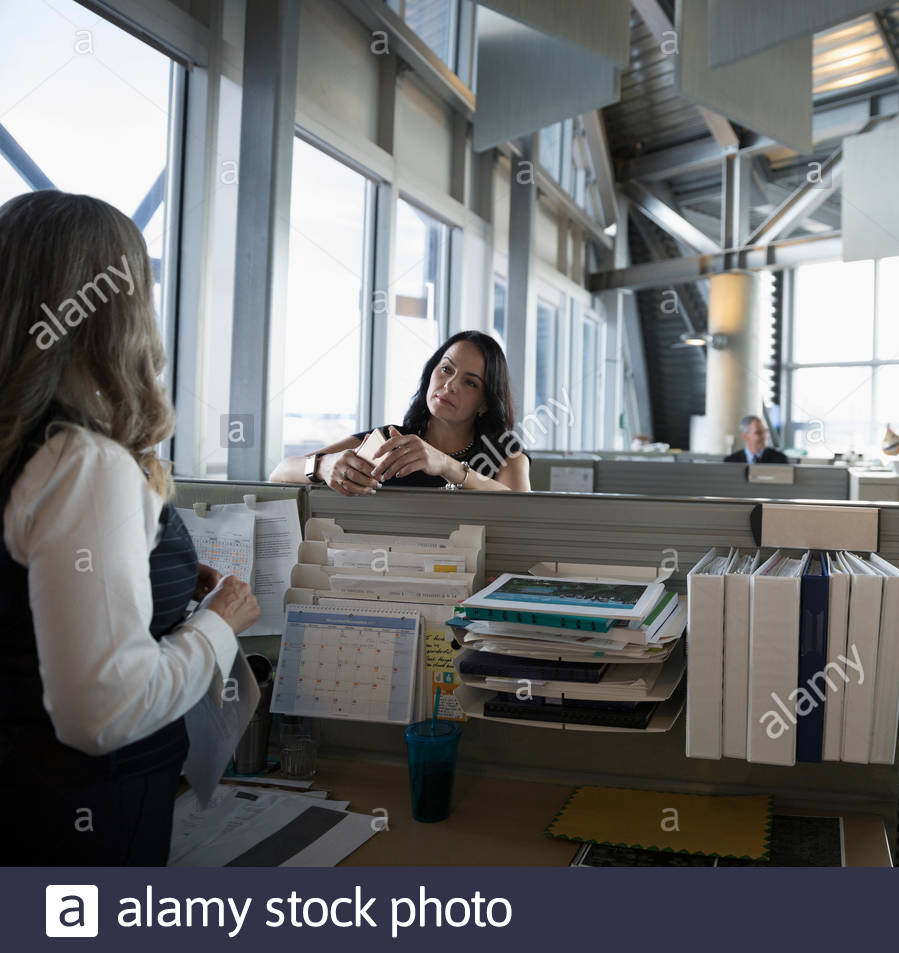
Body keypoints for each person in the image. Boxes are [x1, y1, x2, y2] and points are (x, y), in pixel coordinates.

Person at [0, 191, 260, 864]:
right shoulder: (80, 463)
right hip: (81, 819)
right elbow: (102, 712)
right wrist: (218, 626)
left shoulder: (21, 446)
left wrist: (154, 582)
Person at [270, 330, 530, 493]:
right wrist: (322, 465)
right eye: (446, 369)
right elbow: (280, 473)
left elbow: (522, 513)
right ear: (431, 372)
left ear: (485, 402)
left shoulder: (507, 458)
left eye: (470, 383)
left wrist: (445, 464)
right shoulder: (387, 441)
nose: (450, 385)